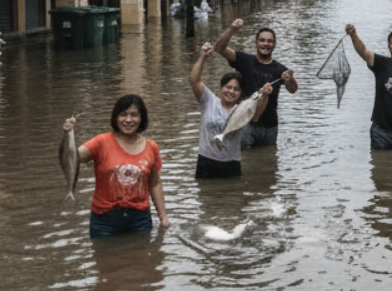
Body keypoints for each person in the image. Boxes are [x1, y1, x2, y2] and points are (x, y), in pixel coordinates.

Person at [61, 96, 169, 238]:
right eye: (123, 114)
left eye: (134, 115)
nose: (128, 120)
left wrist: (163, 216)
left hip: (140, 220)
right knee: (105, 259)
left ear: (142, 118)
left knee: (142, 259)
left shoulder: (151, 147)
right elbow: (71, 157)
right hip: (104, 220)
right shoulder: (101, 142)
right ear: (115, 117)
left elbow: (154, 183)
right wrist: (67, 135)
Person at [190, 42, 272, 178]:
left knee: (233, 197)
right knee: (205, 196)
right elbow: (193, 80)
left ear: (240, 93)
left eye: (236, 89)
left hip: (231, 163)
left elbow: (257, 114)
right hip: (206, 162)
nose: (231, 91)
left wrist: (265, 95)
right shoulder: (208, 100)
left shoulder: (242, 109)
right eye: (228, 87)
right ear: (221, 88)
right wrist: (203, 57)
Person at [212, 19, 298, 149]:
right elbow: (219, 48)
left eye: (270, 41)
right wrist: (232, 29)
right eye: (262, 40)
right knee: (245, 163)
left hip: (270, 126)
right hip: (245, 124)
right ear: (256, 43)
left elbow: (292, 90)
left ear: (274, 44)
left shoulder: (280, 69)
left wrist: (290, 78)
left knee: (269, 164)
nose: (266, 44)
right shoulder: (244, 60)